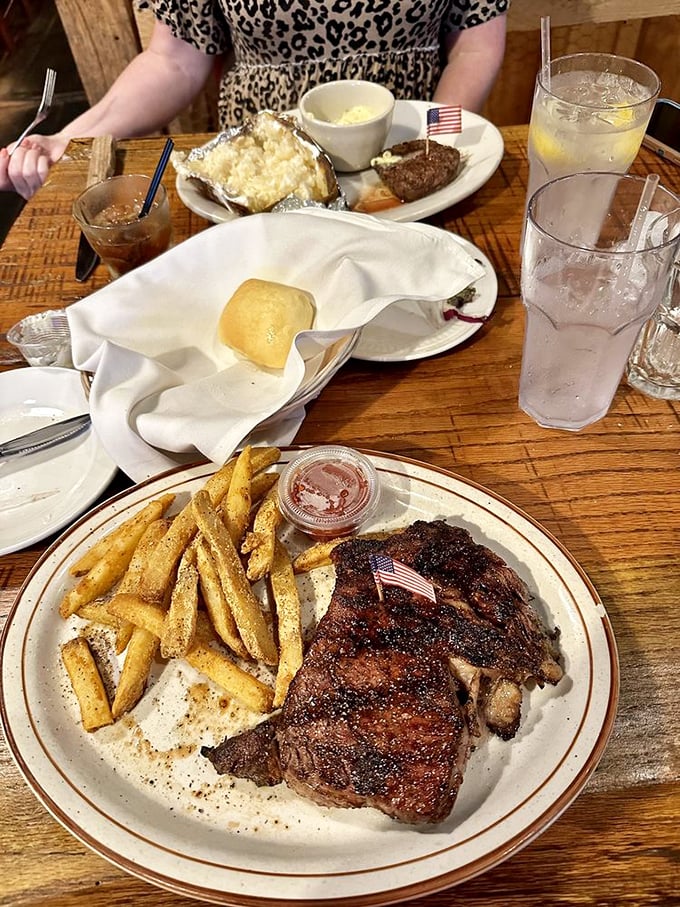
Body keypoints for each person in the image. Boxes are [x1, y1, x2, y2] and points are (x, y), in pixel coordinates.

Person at [0, 0, 509, 200]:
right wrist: (71, 137)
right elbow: (174, 59)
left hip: (406, 151)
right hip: (261, 176)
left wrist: (434, 146)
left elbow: (475, 44)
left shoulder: (427, 144)